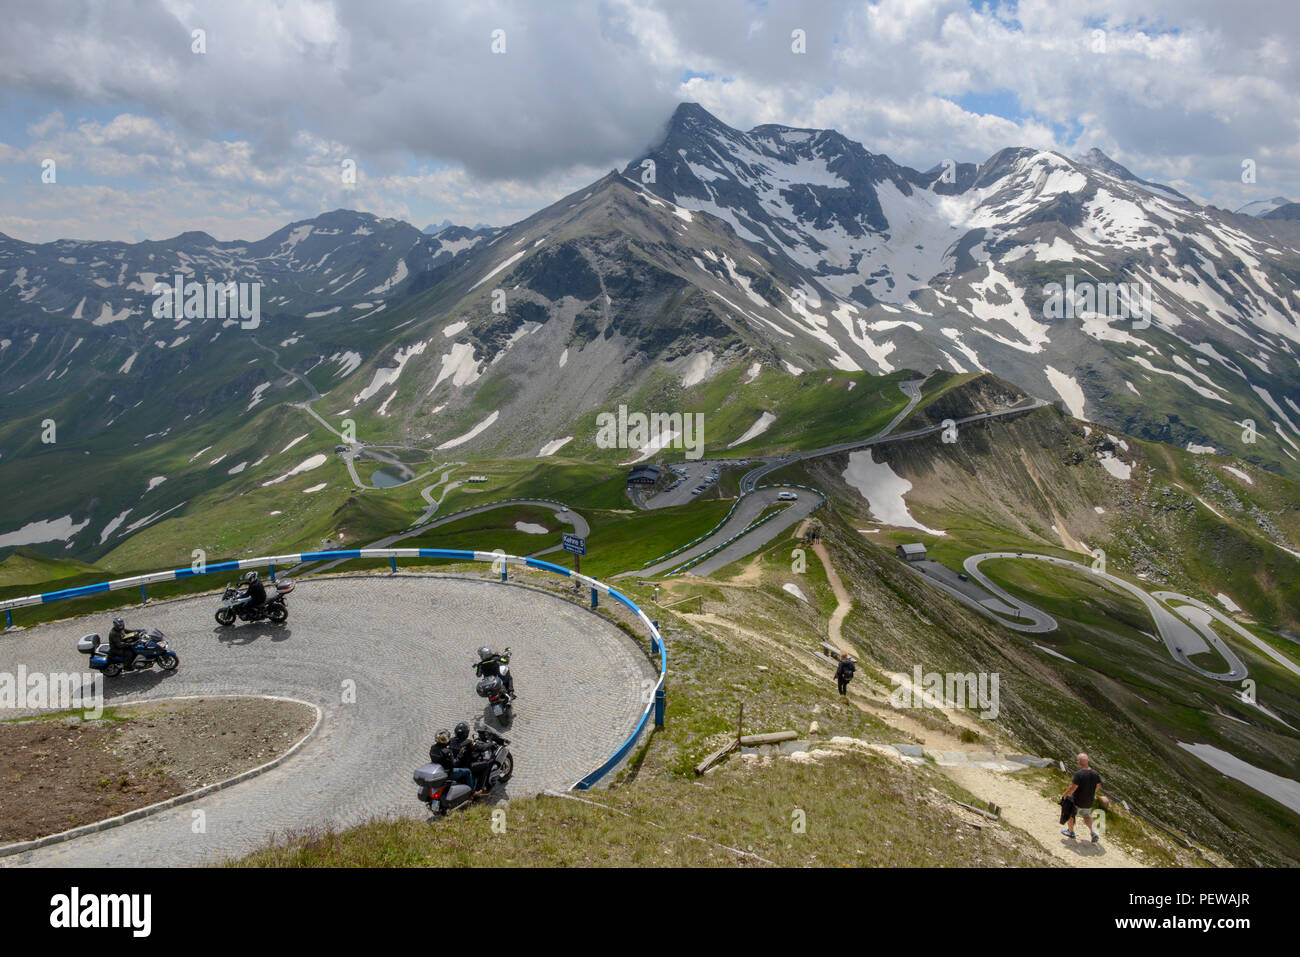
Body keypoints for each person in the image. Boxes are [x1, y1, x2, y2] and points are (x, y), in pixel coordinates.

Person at [1062, 752, 1102, 843]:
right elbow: (1098, 785)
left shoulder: (1079, 774)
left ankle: (1070, 832)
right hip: (1089, 801)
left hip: (1077, 801)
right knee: (1086, 816)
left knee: (1071, 814)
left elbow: (1073, 787)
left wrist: (1065, 795)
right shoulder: (1095, 773)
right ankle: (1093, 833)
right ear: (1087, 761)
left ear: (1079, 762)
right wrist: (1092, 793)